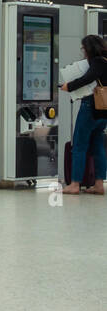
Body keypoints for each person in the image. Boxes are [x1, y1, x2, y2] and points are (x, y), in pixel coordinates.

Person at [58, 34, 107, 195]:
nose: (83, 51)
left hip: (90, 107)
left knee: (79, 146)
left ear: (89, 48)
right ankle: (99, 184)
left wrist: (69, 86)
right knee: (98, 145)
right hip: (104, 110)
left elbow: (88, 78)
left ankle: (75, 184)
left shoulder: (97, 61)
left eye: (83, 48)